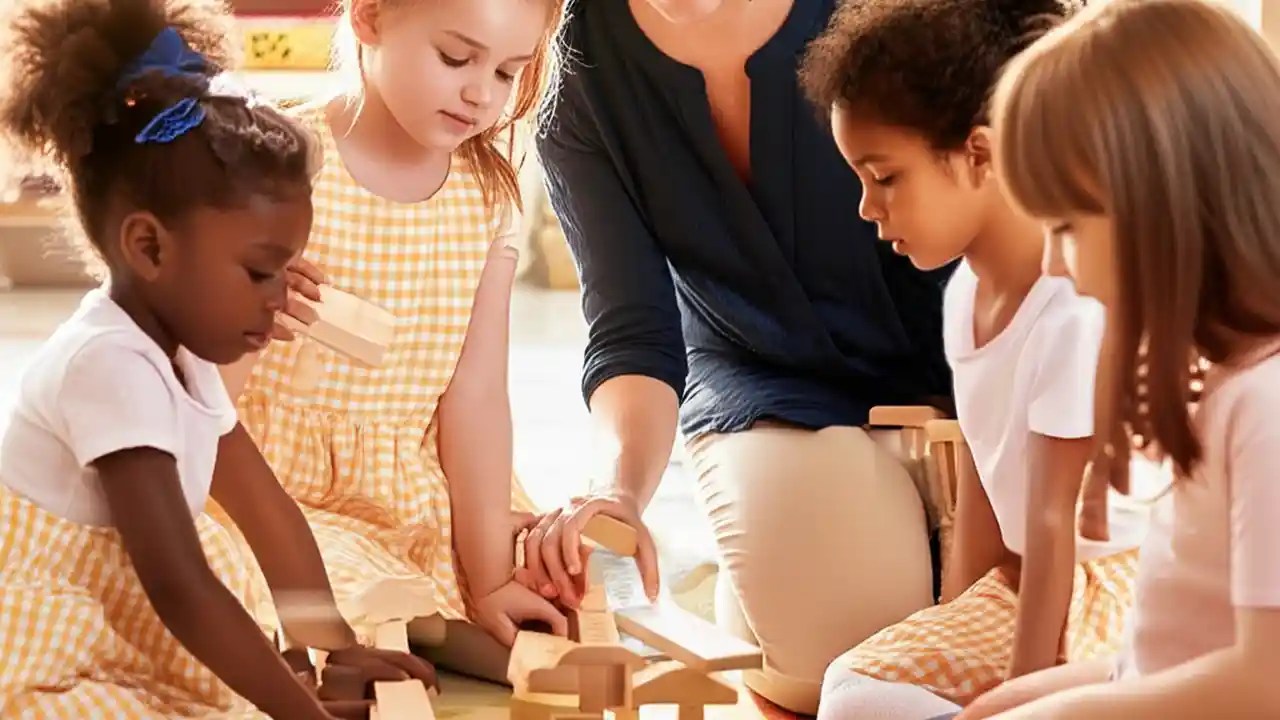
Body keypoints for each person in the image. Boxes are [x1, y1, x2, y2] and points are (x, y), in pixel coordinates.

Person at [0, 0, 435, 717]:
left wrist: (336, 648)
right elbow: (179, 584)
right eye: (260, 272)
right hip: (47, 639)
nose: (280, 298)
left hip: (120, 618)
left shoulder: (182, 350)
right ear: (149, 248)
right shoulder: (108, 366)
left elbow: (269, 516)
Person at [525, 0, 954, 711]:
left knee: (998, 632)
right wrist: (619, 491)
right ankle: (775, 560)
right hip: (763, 376)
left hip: (966, 356)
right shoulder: (571, 63)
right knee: (855, 663)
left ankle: (761, 573)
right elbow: (631, 325)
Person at [794, 2, 1160, 717]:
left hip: (1103, 587)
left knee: (869, 698)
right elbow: (988, 488)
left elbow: (1054, 522)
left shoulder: (1069, 308)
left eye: (886, 177)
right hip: (1022, 581)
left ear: (980, 155)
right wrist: (950, 624)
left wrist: (1019, 694)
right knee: (851, 686)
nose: (867, 207)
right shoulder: (965, 296)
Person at [218, 0, 570, 680]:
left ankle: (426, 625)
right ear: (371, 17)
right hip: (273, 484)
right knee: (307, 582)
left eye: (506, 72)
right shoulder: (278, 160)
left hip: (410, 480)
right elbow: (202, 391)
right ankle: (397, 633)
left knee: (546, 573)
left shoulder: (488, 196)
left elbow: (475, 397)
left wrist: (492, 575)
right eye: (455, 58)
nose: (481, 93)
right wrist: (247, 304)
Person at [958, 0, 1280, 717]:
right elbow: (1179, 644)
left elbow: (1267, 682)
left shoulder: (1266, 404)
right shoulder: (1224, 380)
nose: (1052, 264)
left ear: (1165, 205)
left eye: (1065, 226)